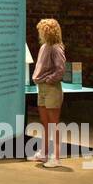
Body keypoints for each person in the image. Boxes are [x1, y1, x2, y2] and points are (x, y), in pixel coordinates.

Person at [31, 18, 67, 168]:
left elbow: (60, 69)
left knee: (53, 124)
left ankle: (56, 156)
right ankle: (44, 152)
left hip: (51, 88)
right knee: (45, 123)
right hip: (42, 88)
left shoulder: (56, 47)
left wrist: (49, 80)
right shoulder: (44, 47)